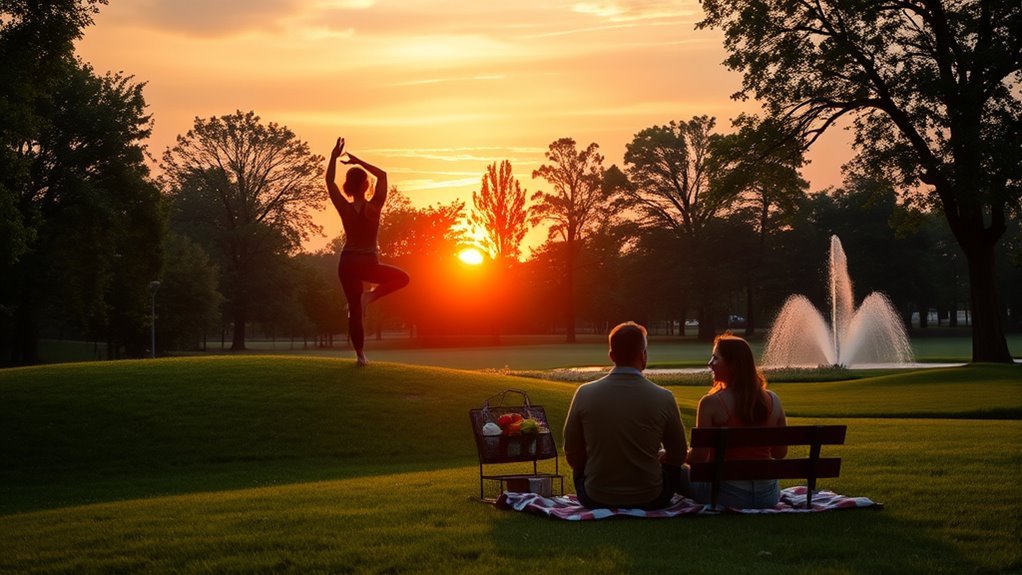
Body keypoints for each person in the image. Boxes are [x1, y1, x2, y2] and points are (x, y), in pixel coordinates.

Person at [563, 321, 689, 509]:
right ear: (643, 355)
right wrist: (657, 458)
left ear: (611, 355)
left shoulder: (584, 393)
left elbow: (572, 453)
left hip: (595, 496)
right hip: (652, 497)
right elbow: (678, 455)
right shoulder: (664, 397)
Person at [326, 137, 409, 366]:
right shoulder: (374, 207)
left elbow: (329, 182)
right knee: (403, 278)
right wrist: (359, 162)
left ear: (349, 187)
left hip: (347, 263)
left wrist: (333, 157)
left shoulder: (344, 207)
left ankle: (361, 356)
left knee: (354, 309)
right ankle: (369, 297)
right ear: (365, 186)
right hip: (367, 263)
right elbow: (382, 175)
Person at [687, 333, 788, 508]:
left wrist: (673, 455)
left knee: (677, 472)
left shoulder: (711, 403)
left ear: (733, 365)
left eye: (715, 358)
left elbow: (699, 457)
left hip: (727, 494)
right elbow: (780, 453)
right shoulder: (774, 401)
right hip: (768, 496)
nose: (709, 363)